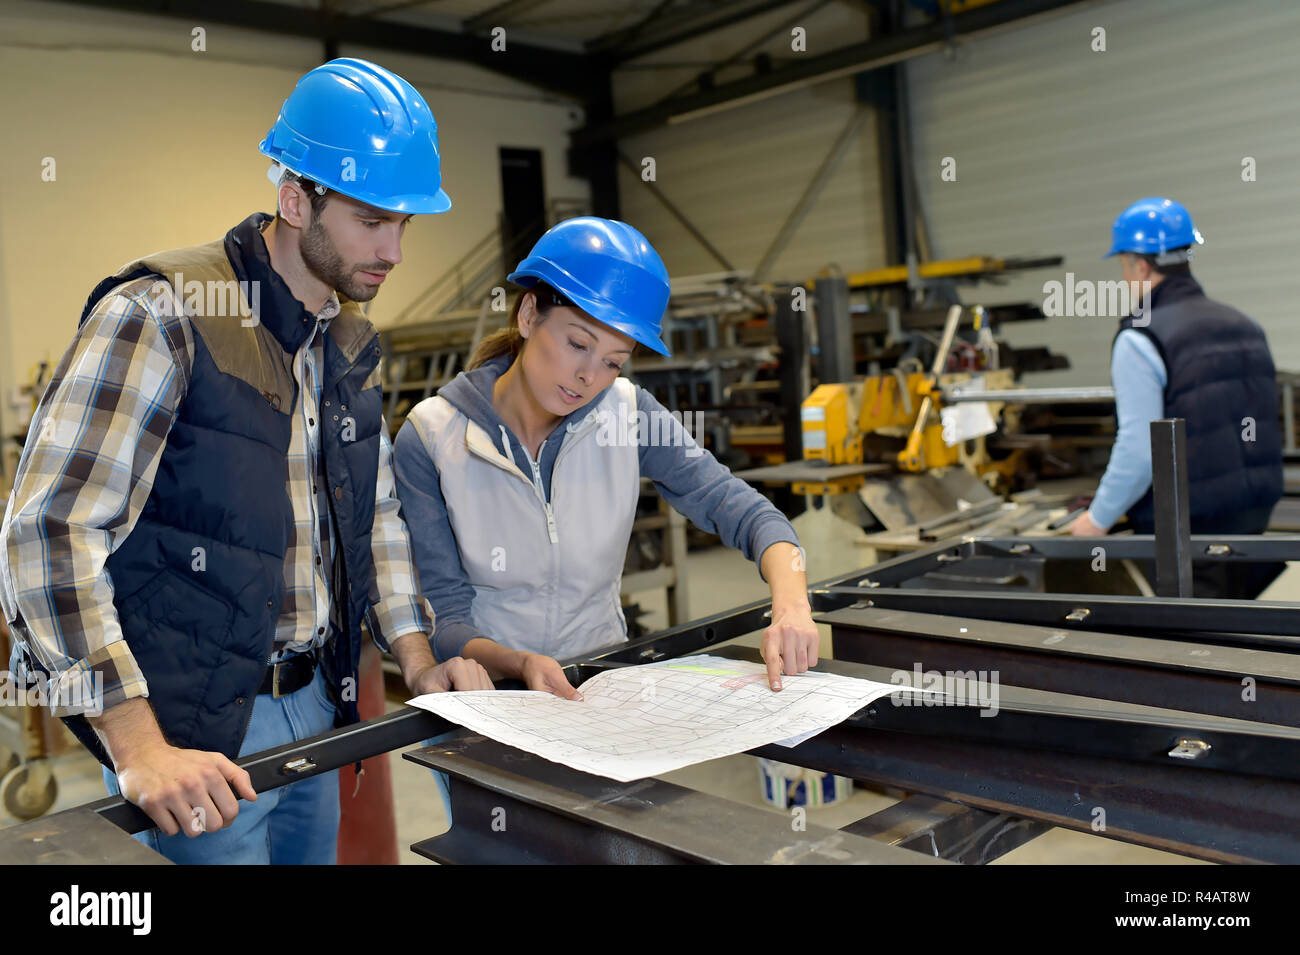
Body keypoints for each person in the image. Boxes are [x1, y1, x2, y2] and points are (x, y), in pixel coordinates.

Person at [0, 58, 491, 865]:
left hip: (319, 705)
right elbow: (47, 536)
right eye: (374, 219)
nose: (396, 250)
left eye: (407, 223)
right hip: (196, 728)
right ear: (296, 200)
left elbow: (374, 517)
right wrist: (136, 742)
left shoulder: (345, 339)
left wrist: (416, 657)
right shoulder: (164, 315)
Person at [394, 217, 820, 702]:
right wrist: (520, 663)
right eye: (578, 344)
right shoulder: (432, 435)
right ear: (529, 314)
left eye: (613, 361)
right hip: (489, 696)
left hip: (598, 690)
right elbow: (446, 620)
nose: (587, 377)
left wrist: (792, 603)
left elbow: (740, 508)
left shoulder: (628, 413)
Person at [1070, 197, 1283, 598]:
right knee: (1236, 629)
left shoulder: (1141, 337)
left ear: (1141, 265)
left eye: (1122, 266)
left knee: (1191, 645)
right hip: (1253, 514)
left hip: (1188, 529)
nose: (1124, 278)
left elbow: (1139, 449)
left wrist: (1096, 520)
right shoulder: (1245, 324)